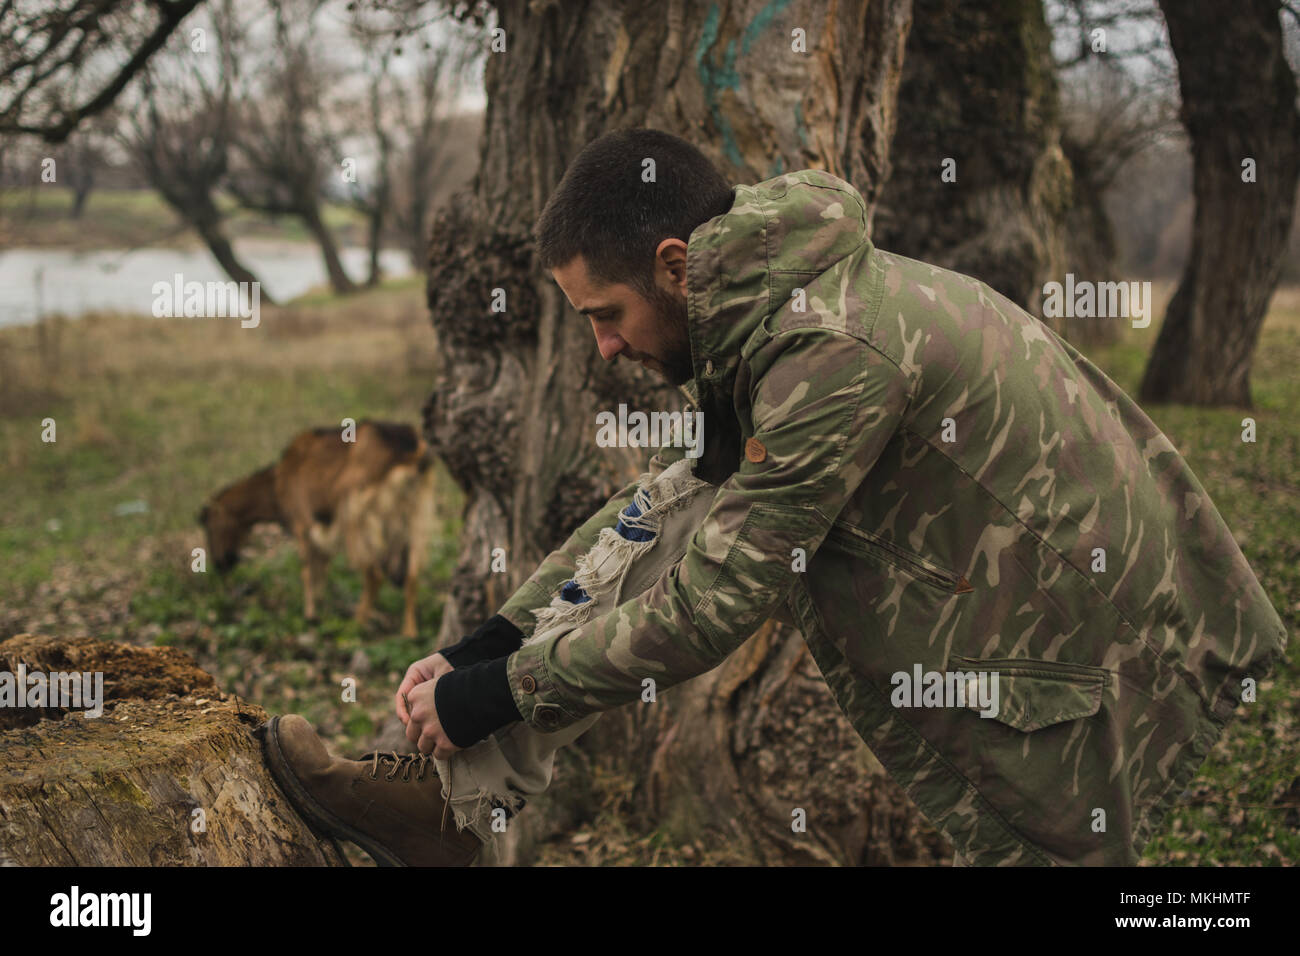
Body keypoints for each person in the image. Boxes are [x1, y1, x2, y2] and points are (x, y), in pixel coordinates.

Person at [263, 128, 1287, 867]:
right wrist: (485, 646)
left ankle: (448, 813)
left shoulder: (828, 352)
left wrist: (490, 694)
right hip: (1037, 608)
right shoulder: (766, 313)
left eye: (605, 314)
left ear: (673, 264)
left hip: (1095, 634)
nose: (602, 346)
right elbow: (670, 508)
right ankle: (445, 812)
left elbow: (708, 607)